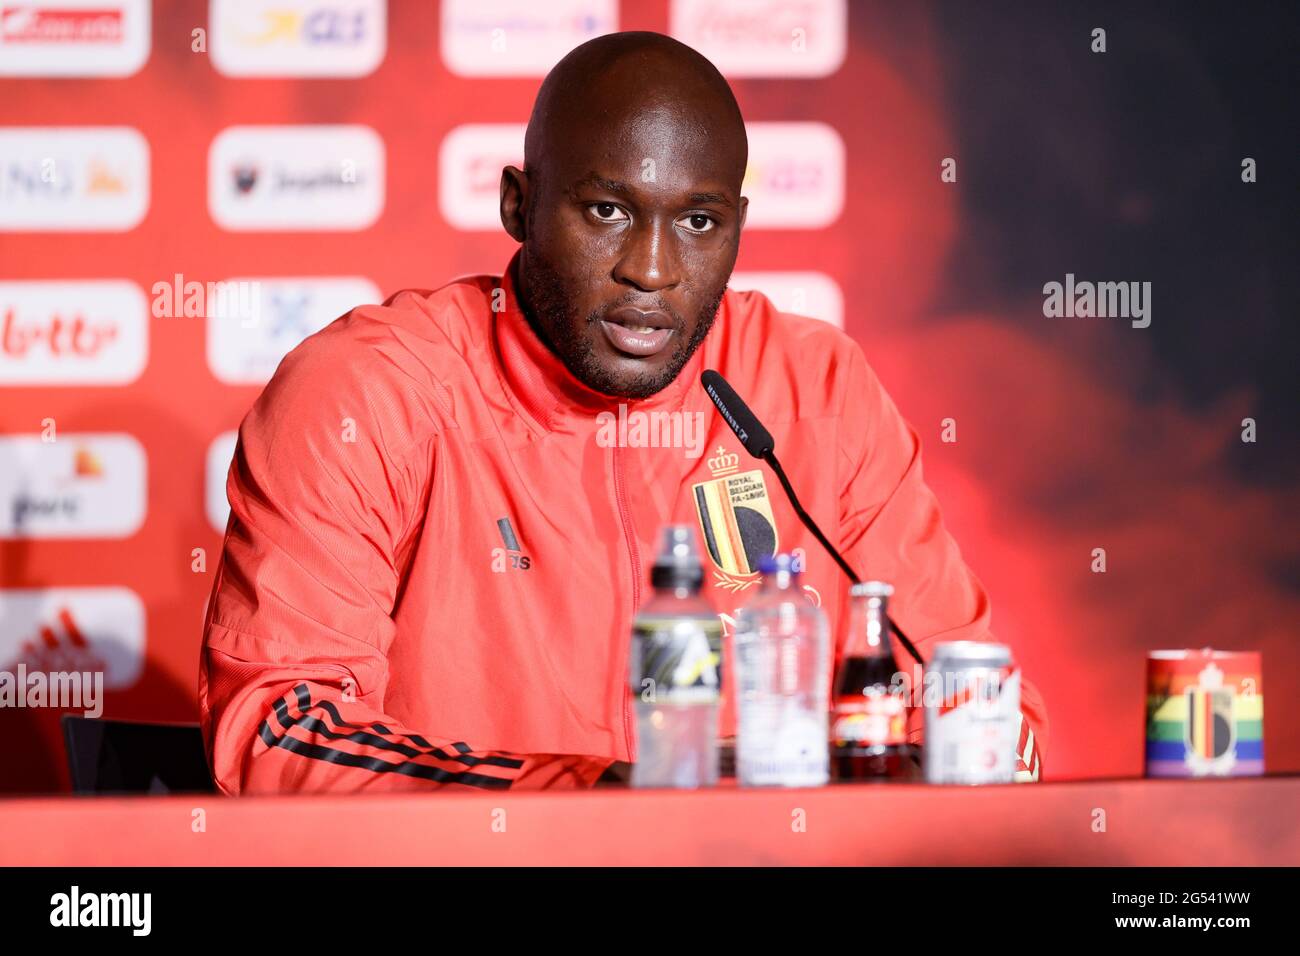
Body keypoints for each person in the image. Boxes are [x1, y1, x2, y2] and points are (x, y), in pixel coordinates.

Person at [200, 31, 1046, 794]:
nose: (652, 269)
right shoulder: (369, 393)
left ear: (740, 229)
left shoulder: (814, 389)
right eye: (607, 211)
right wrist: (590, 804)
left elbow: (992, 723)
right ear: (518, 206)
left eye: (699, 222)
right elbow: (283, 730)